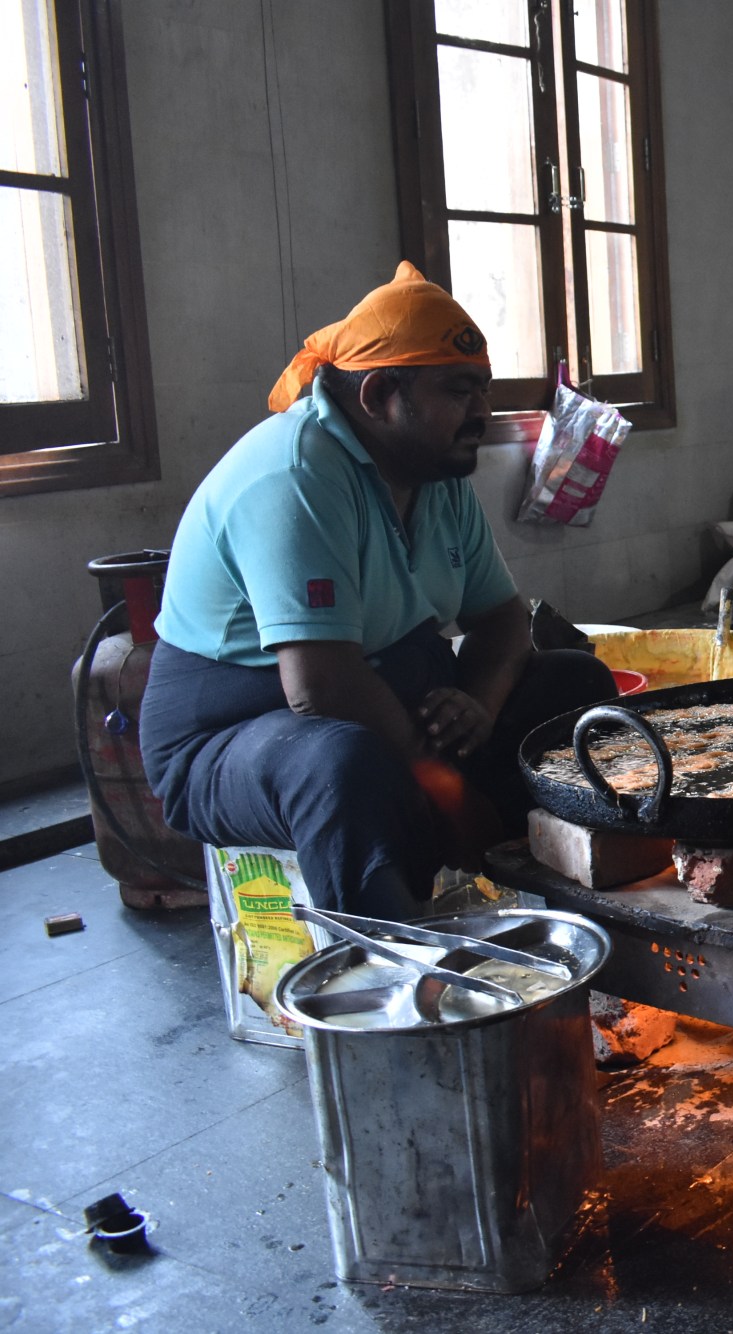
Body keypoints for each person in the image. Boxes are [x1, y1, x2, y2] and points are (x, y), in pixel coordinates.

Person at [141, 263, 616, 921]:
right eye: (459, 391)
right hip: (237, 732)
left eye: (483, 390)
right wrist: (452, 794)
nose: (481, 412)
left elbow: (503, 621)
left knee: (572, 687)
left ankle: (552, 895)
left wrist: (477, 704)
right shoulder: (296, 474)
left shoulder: (436, 471)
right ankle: (395, 971)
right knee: (341, 764)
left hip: (393, 695)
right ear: (378, 396)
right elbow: (322, 688)